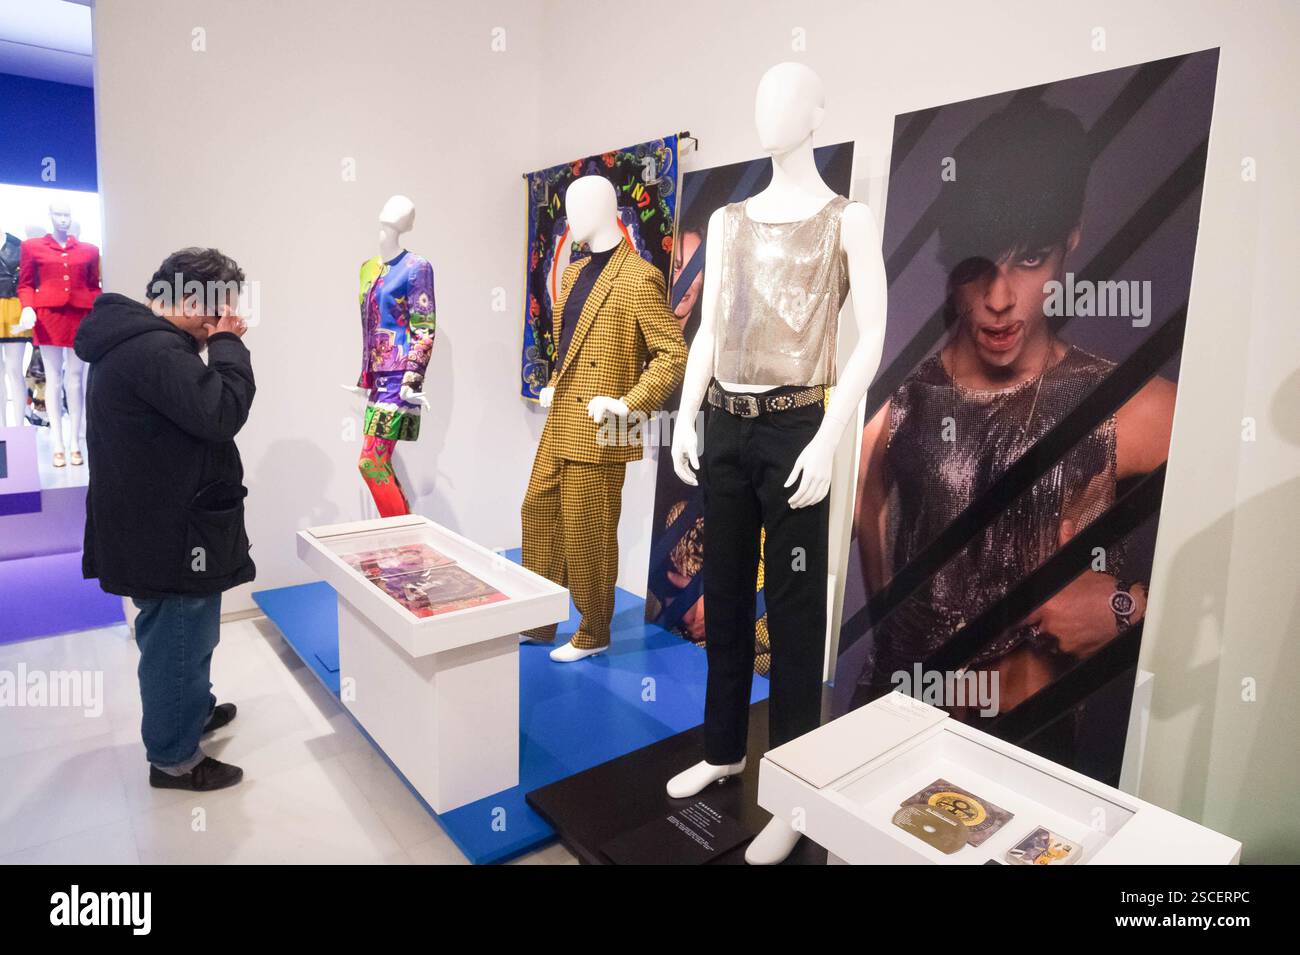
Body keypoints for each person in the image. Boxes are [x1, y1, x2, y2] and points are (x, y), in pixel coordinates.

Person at [853, 101, 1176, 717]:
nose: (999, 299)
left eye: (1030, 260)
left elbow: (1256, 560)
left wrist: (1125, 611)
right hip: (895, 720)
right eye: (979, 268)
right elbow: (863, 513)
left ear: (1070, 245)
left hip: (1030, 748)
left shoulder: (1120, 405)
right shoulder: (903, 402)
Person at [75, 247, 255, 792]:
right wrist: (229, 345)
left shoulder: (139, 342)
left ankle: (190, 712)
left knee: (187, 634)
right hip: (169, 533)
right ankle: (174, 758)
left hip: (162, 521)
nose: (218, 320)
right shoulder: (155, 351)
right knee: (178, 638)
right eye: (218, 309)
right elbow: (221, 413)